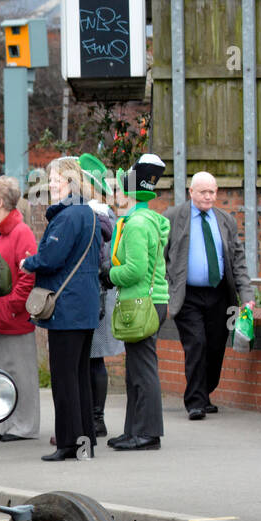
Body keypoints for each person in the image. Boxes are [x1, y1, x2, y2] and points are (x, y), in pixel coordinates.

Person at [19, 157, 100, 461]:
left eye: (55, 179)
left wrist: (28, 262)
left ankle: (67, 443)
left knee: (64, 378)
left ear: (69, 181)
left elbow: (51, 258)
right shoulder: (88, 213)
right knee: (79, 376)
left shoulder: (67, 217)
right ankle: (84, 442)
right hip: (85, 304)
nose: (50, 184)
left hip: (66, 307)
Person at [164, 170, 255, 420]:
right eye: (203, 191)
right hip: (187, 295)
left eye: (212, 192)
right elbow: (160, 257)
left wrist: (246, 293)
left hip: (219, 295)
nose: (208, 196)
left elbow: (238, 260)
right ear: (191, 192)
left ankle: (204, 393)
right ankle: (194, 402)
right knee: (196, 344)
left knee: (215, 347)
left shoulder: (225, 220)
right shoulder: (173, 217)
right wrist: (163, 289)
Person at [106, 155, 170, 450]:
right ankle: (135, 430)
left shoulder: (135, 225)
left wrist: (108, 274)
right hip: (151, 301)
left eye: (119, 189)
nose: (115, 194)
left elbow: (134, 270)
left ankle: (146, 434)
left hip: (141, 301)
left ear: (130, 193)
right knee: (137, 369)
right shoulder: (147, 220)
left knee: (143, 371)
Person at [0, 176, 39, 442]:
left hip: (12, 317)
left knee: (19, 374)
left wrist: (13, 305)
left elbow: (28, 275)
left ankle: (23, 426)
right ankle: (1, 424)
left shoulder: (21, 232)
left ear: (0, 203)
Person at [81, 153, 123, 438]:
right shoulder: (105, 213)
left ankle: (95, 418)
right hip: (101, 292)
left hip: (96, 292)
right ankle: (95, 417)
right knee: (93, 360)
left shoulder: (96, 214)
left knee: (92, 359)